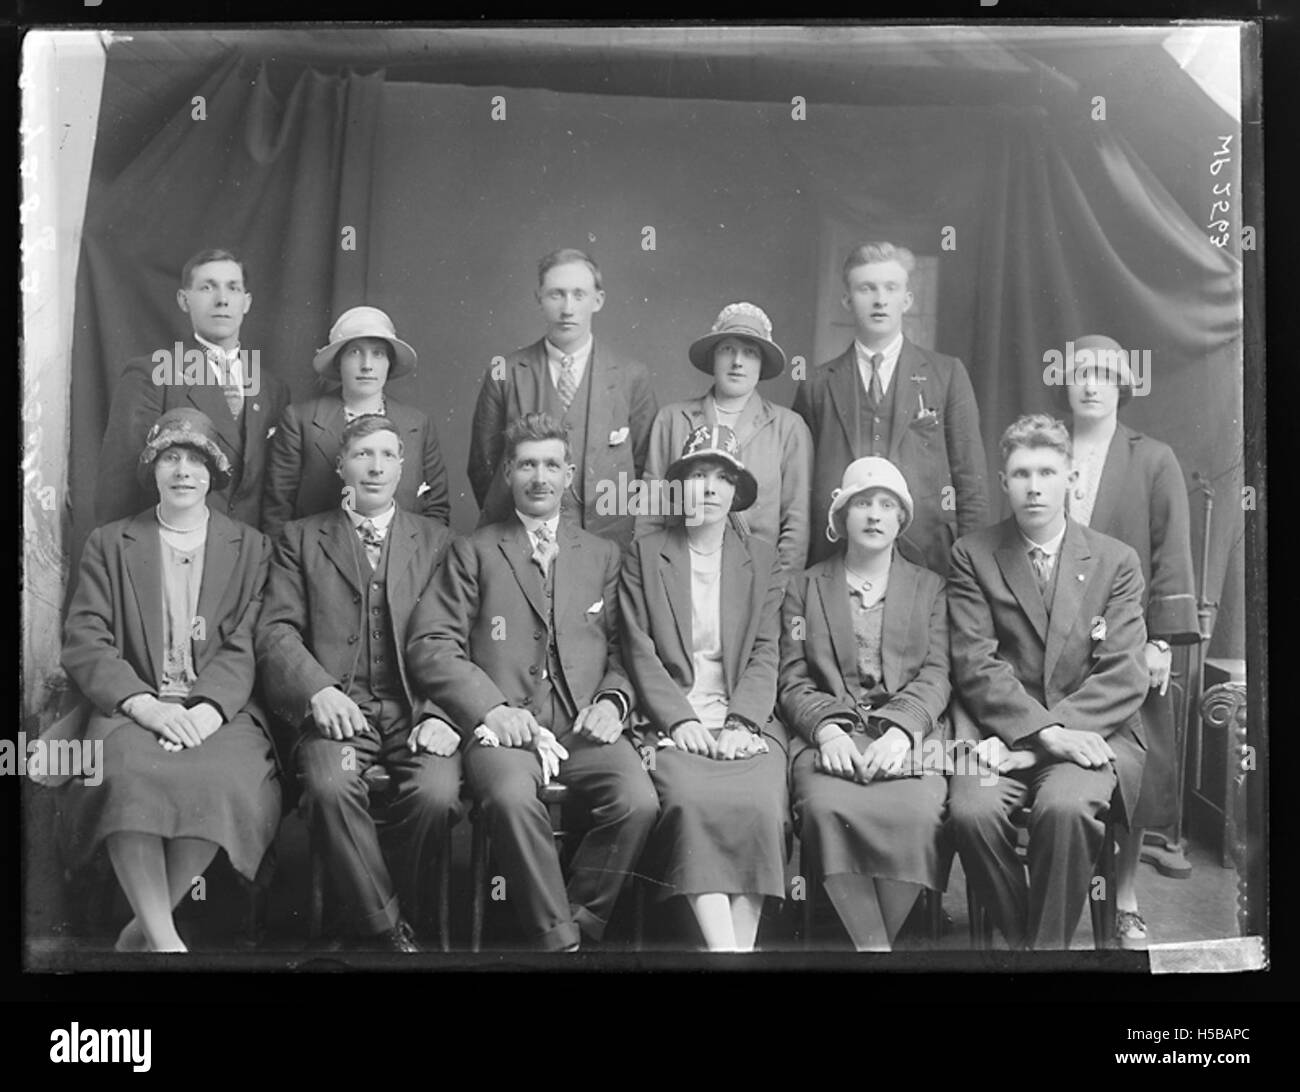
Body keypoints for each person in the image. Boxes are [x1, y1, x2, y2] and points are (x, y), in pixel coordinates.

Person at [408, 413, 657, 951]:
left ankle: (577, 920)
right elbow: (431, 645)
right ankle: (559, 944)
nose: (539, 477)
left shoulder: (601, 555)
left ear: (570, 474)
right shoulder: (473, 550)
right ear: (506, 474)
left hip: (579, 725)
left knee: (638, 800)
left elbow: (624, 650)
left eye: (551, 465)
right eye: (526, 465)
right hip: (504, 729)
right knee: (510, 796)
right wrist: (491, 709)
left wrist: (613, 702)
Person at [61, 408, 281, 952]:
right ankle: (166, 945)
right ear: (152, 469)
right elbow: (86, 637)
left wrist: (205, 711)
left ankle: (141, 933)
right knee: (128, 775)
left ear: (215, 473)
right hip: (131, 708)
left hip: (220, 712)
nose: (184, 471)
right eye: (171, 458)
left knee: (226, 780)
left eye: (197, 460)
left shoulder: (252, 548)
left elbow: (249, 641)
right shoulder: (111, 543)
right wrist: (144, 705)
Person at [945, 414, 1149, 950]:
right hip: (998, 737)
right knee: (973, 810)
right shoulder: (974, 554)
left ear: (1072, 479)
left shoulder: (1115, 561)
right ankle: (1027, 946)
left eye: (1047, 472)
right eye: (1021, 473)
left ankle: (1043, 953)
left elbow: (1124, 672)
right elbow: (975, 663)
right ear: (1003, 481)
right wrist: (1040, 734)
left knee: (1064, 808)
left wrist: (1047, 745)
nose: (1034, 486)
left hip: (1091, 737)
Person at [255, 415, 458, 952]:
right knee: (329, 785)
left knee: (437, 795)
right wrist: (317, 689)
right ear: (341, 465)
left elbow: (461, 640)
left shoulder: (437, 541)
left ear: (401, 466)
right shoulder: (300, 538)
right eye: (362, 454)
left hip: (415, 711)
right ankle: (389, 929)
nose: (374, 466)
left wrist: (440, 712)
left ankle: (387, 912)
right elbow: (275, 630)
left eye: (386, 455)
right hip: (338, 714)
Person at [620, 424, 789, 951]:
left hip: (744, 718)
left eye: (722, 478)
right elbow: (637, 650)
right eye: (698, 476)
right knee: (692, 800)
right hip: (673, 720)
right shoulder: (645, 554)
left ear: (736, 491)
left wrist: (742, 722)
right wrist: (682, 720)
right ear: (679, 487)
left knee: (761, 802)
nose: (710, 489)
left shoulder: (762, 559)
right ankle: (726, 951)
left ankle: (734, 952)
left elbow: (766, 650)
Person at [1060, 334, 1199, 948]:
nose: (1090, 385)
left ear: (1123, 385)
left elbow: (1172, 554)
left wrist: (1160, 643)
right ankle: (1055, 892)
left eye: (1103, 375)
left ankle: (1125, 895)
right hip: (1054, 638)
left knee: (1136, 767)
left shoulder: (1152, 457)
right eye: (1079, 374)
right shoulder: (1048, 448)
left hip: (1129, 638)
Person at [778, 457, 950, 950]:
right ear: (840, 518)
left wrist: (902, 731)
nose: (874, 515)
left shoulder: (930, 588)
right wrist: (827, 731)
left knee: (920, 813)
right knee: (826, 808)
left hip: (907, 738)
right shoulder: (803, 588)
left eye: (886, 505)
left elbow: (938, 673)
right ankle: (876, 951)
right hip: (830, 737)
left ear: (901, 520)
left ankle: (871, 949)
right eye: (861, 504)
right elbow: (792, 674)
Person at [794, 241, 988, 574]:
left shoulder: (946, 374)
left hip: (928, 558)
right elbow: (799, 489)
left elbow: (971, 484)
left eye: (891, 288)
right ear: (847, 300)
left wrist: (971, 573)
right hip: (837, 558)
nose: (880, 300)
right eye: (866, 288)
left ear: (907, 299)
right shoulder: (817, 384)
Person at [467, 248, 657, 546]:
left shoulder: (631, 376)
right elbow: (484, 467)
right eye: (556, 294)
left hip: (607, 545)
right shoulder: (506, 372)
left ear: (598, 300)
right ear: (539, 298)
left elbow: (647, 467)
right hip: (521, 541)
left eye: (579, 294)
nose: (568, 308)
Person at [95, 248, 288, 529]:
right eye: (207, 287)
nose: (222, 300)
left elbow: (273, 493)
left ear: (246, 302)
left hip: (249, 557)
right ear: (184, 300)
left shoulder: (272, 389)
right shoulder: (153, 374)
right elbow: (119, 487)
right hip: (171, 549)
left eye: (233, 289)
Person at [637, 302, 812, 572]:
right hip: (678, 572)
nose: (737, 362)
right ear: (713, 358)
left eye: (750, 352)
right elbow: (650, 512)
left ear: (761, 363)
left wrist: (777, 591)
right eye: (727, 349)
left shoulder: (788, 427)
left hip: (756, 576)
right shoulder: (672, 419)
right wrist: (651, 576)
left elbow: (796, 525)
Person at [261, 305, 450, 540]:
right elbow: (277, 511)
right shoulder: (300, 420)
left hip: (402, 566)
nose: (367, 365)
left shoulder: (417, 424)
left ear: (389, 363)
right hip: (317, 562)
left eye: (378, 353)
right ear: (338, 362)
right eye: (354, 352)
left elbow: (436, 510)